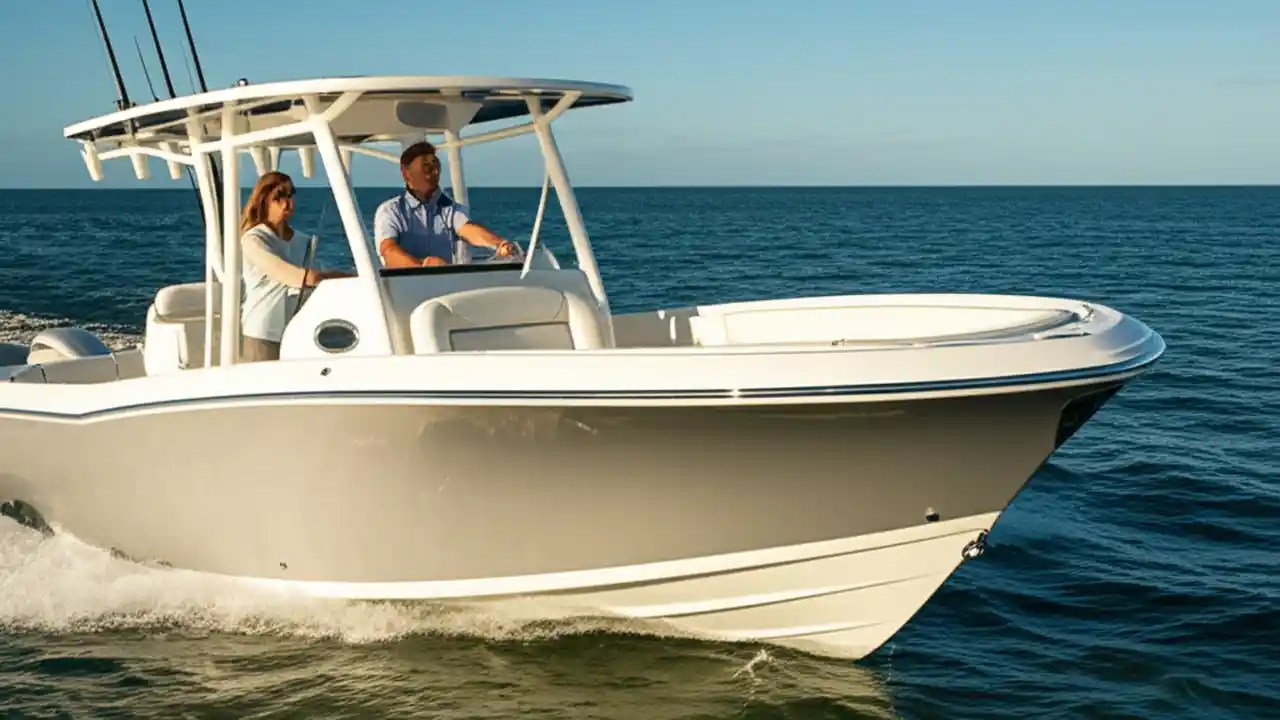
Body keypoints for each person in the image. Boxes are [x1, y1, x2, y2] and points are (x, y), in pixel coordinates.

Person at [239, 171, 349, 362]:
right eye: (278, 198)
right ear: (264, 201)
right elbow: (294, 276)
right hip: (262, 332)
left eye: (290, 195)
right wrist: (329, 278)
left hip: (295, 331)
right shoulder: (254, 239)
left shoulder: (302, 241)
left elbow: (319, 274)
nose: (286, 202)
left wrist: (357, 277)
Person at [373, 141, 520, 268]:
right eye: (425, 165)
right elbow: (388, 251)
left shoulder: (449, 208)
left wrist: (500, 243)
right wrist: (422, 266)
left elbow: (468, 229)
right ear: (406, 173)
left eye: (435, 163)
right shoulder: (391, 211)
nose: (433, 169)